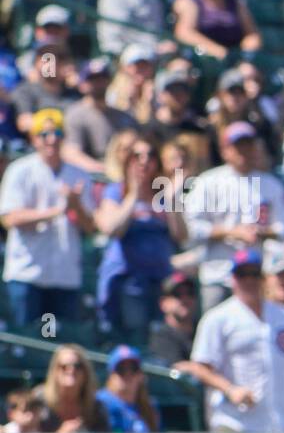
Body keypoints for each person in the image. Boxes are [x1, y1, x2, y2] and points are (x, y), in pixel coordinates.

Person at [190, 249, 284, 433]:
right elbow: (200, 367)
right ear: (232, 279)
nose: (249, 281)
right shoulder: (218, 317)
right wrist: (230, 390)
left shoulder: (282, 315)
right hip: (234, 422)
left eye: (254, 274)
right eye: (242, 275)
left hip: (278, 420)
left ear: (263, 278)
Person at [184, 121, 284, 311]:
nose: (243, 151)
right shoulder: (208, 181)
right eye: (237, 146)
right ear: (225, 150)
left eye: (248, 145)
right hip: (218, 271)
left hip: (257, 275)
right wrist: (231, 232)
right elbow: (192, 228)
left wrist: (262, 232)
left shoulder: (271, 185)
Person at [0, 108, 92, 326]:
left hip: (64, 275)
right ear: (34, 138)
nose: (52, 140)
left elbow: (90, 226)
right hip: (27, 272)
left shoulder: (78, 175)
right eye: (44, 134)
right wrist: (58, 211)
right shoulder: (19, 170)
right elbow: (10, 218)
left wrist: (76, 206)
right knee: (26, 342)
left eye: (57, 134)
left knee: (60, 342)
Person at [94, 138, 187, 342]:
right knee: (137, 337)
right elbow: (112, 229)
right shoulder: (116, 192)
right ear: (127, 161)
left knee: (159, 338)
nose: (144, 162)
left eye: (151, 155)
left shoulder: (162, 196)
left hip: (161, 281)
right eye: (137, 156)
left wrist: (172, 198)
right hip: (129, 282)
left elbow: (181, 235)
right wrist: (134, 194)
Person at [61, 57, 137, 175]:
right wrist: (103, 169)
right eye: (92, 79)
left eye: (102, 78)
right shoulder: (75, 114)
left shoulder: (123, 116)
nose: (98, 83)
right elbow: (71, 153)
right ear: (82, 83)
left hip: (122, 176)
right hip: (92, 177)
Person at [41, 344, 109, 433]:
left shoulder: (97, 407)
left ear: (85, 373)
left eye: (77, 366)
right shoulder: (40, 402)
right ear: (55, 372)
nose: (71, 370)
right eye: (64, 366)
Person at [96, 344, 159, 433]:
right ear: (111, 375)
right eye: (121, 369)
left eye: (133, 369)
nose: (127, 374)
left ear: (140, 375)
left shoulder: (149, 406)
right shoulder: (99, 403)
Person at [147, 271, 200, 371]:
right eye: (177, 295)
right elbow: (176, 370)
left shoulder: (203, 329)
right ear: (163, 304)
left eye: (190, 293)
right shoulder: (161, 335)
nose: (185, 299)